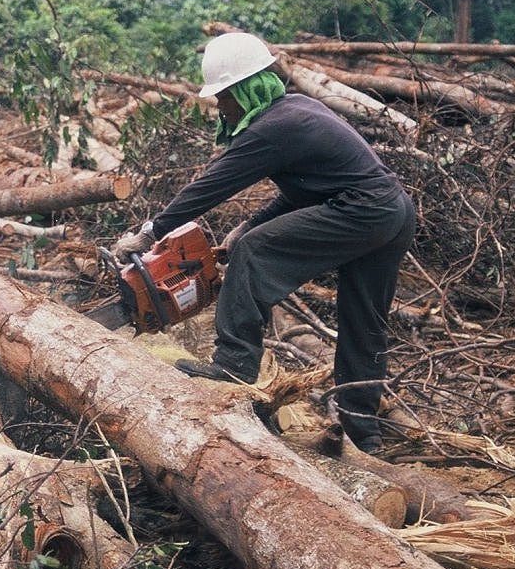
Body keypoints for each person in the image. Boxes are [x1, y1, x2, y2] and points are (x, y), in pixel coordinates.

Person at [112, 32, 415, 453]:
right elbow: (304, 191)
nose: (220, 106)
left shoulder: (273, 128)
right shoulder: (295, 112)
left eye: (223, 97)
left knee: (257, 252)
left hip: (363, 210)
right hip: (393, 211)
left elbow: (212, 186)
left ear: (243, 88)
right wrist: (238, 233)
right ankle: (365, 433)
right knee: (363, 321)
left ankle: (234, 366)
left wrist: (151, 231)